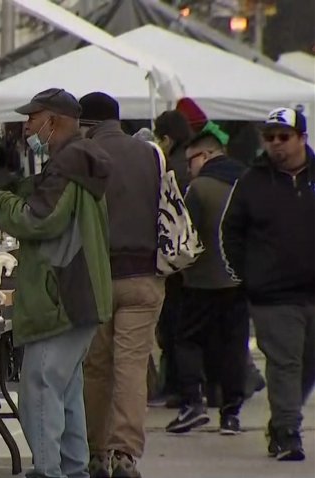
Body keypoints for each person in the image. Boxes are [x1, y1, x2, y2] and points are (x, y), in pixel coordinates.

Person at [0, 88, 112, 478]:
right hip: (78, 296)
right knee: (66, 393)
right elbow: (42, 201)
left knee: (40, 390)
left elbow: (39, 219)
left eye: (32, 118)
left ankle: (47, 471)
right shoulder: (76, 163)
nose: (27, 127)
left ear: (53, 121)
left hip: (62, 296)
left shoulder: (70, 163)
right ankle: (73, 471)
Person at [78, 92, 165, 478]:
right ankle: (124, 454)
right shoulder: (151, 154)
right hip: (144, 276)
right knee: (131, 368)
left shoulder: (83, 155)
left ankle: (95, 451)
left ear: (87, 123)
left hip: (98, 277)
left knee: (96, 367)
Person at [221, 107, 315, 462]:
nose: (276, 144)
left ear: (302, 138)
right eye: (270, 137)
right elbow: (231, 231)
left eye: (284, 137)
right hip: (273, 295)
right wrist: (248, 274)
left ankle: (280, 422)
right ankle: (290, 432)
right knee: (284, 362)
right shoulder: (252, 182)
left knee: (308, 363)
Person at [164, 131, 249, 435]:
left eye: (191, 160)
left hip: (200, 281)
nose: (188, 168)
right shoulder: (247, 183)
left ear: (207, 156)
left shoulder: (198, 189)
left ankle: (192, 403)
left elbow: (184, 235)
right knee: (234, 348)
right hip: (239, 282)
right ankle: (231, 414)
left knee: (186, 341)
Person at [150, 109, 194, 409]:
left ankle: (176, 387)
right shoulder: (190, 164)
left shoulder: (170, 170)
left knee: (173, 328)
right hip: (192, 259)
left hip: (174, 260)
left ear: (166, 138)